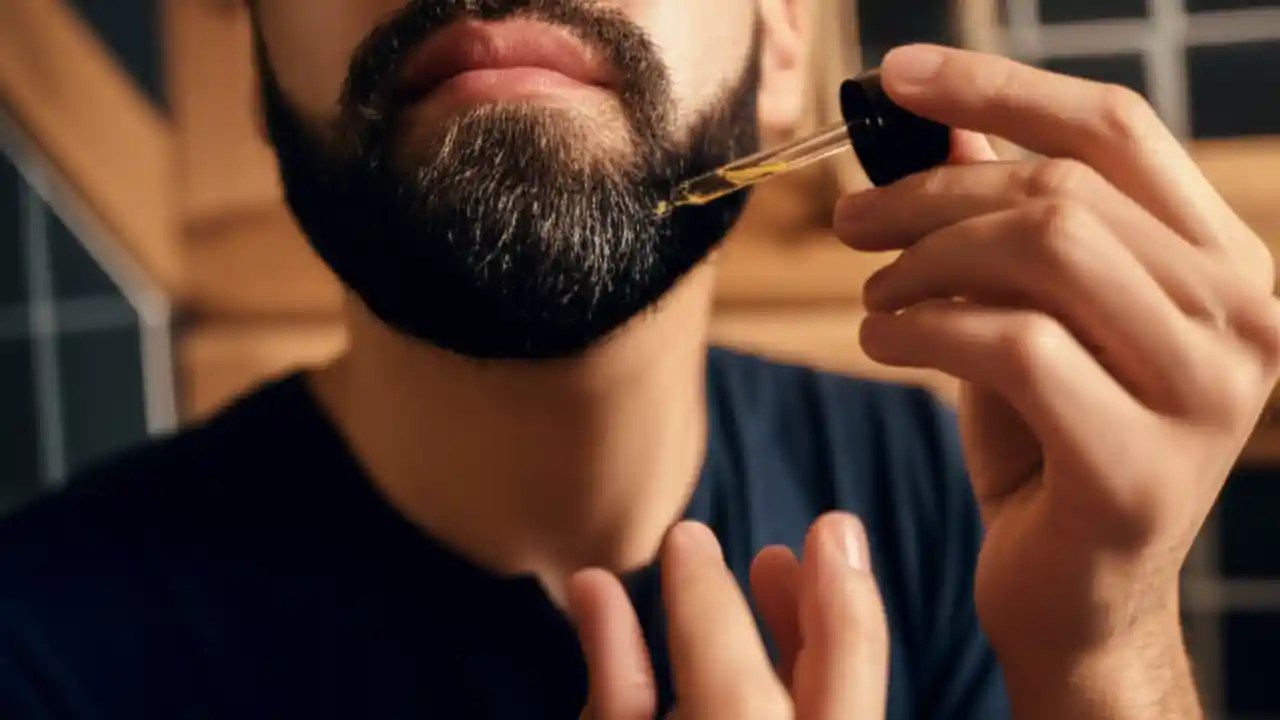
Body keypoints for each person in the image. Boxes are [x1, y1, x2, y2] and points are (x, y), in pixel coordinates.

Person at [2, 0, 1276, 717]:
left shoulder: (973, 520)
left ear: (785, 46)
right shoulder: (39, 650)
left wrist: (1106, 652)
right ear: (257, 60)